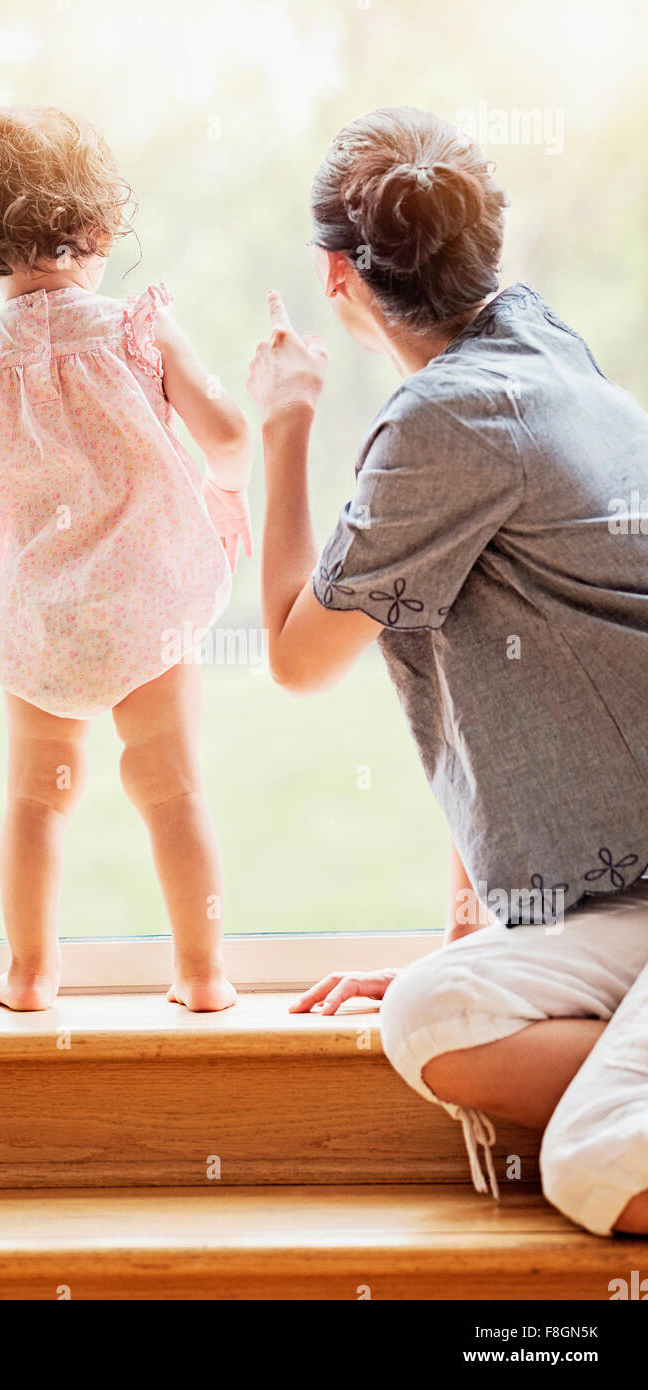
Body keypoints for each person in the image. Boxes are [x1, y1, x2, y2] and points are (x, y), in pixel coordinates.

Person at [247, 105, 648, 1235]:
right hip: (622, 902)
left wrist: (284, 427)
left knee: (592, 1169)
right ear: (490, 244)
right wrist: (488, 935)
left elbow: (289, 656)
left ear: (337, 273)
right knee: (431, 1015)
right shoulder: (548, 350)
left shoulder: (446, 419)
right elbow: (504, 683)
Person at [0, 106, 252, 1013]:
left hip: (41, 615)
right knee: (171, 788)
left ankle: (29, 974)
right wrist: (227, 486)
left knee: (36, 798)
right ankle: (204, 975)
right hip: (149, 601)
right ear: (97, 227)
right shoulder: (136, 329)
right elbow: (229, 434)